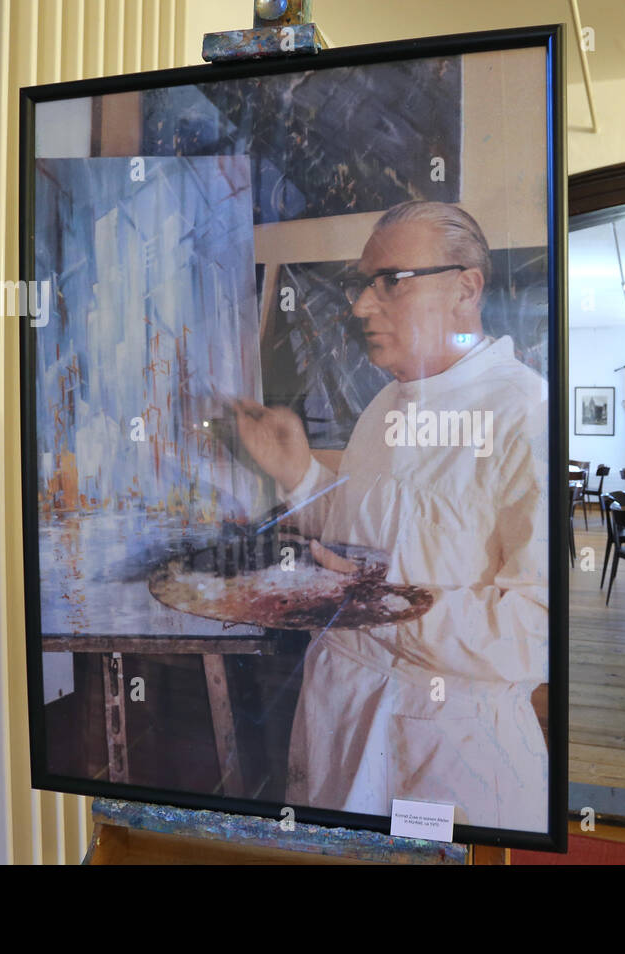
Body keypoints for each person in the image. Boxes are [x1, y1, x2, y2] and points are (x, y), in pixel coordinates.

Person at [234, 200, 549, 832]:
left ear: (466, 288)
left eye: (389, 282)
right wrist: (298, 474)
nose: (359, 306)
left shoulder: (524, 415)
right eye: (361, 283)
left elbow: (534, 630)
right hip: (340, 719)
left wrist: (384, 606)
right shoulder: (385, 403)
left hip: (443, 746)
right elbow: (359, 540)